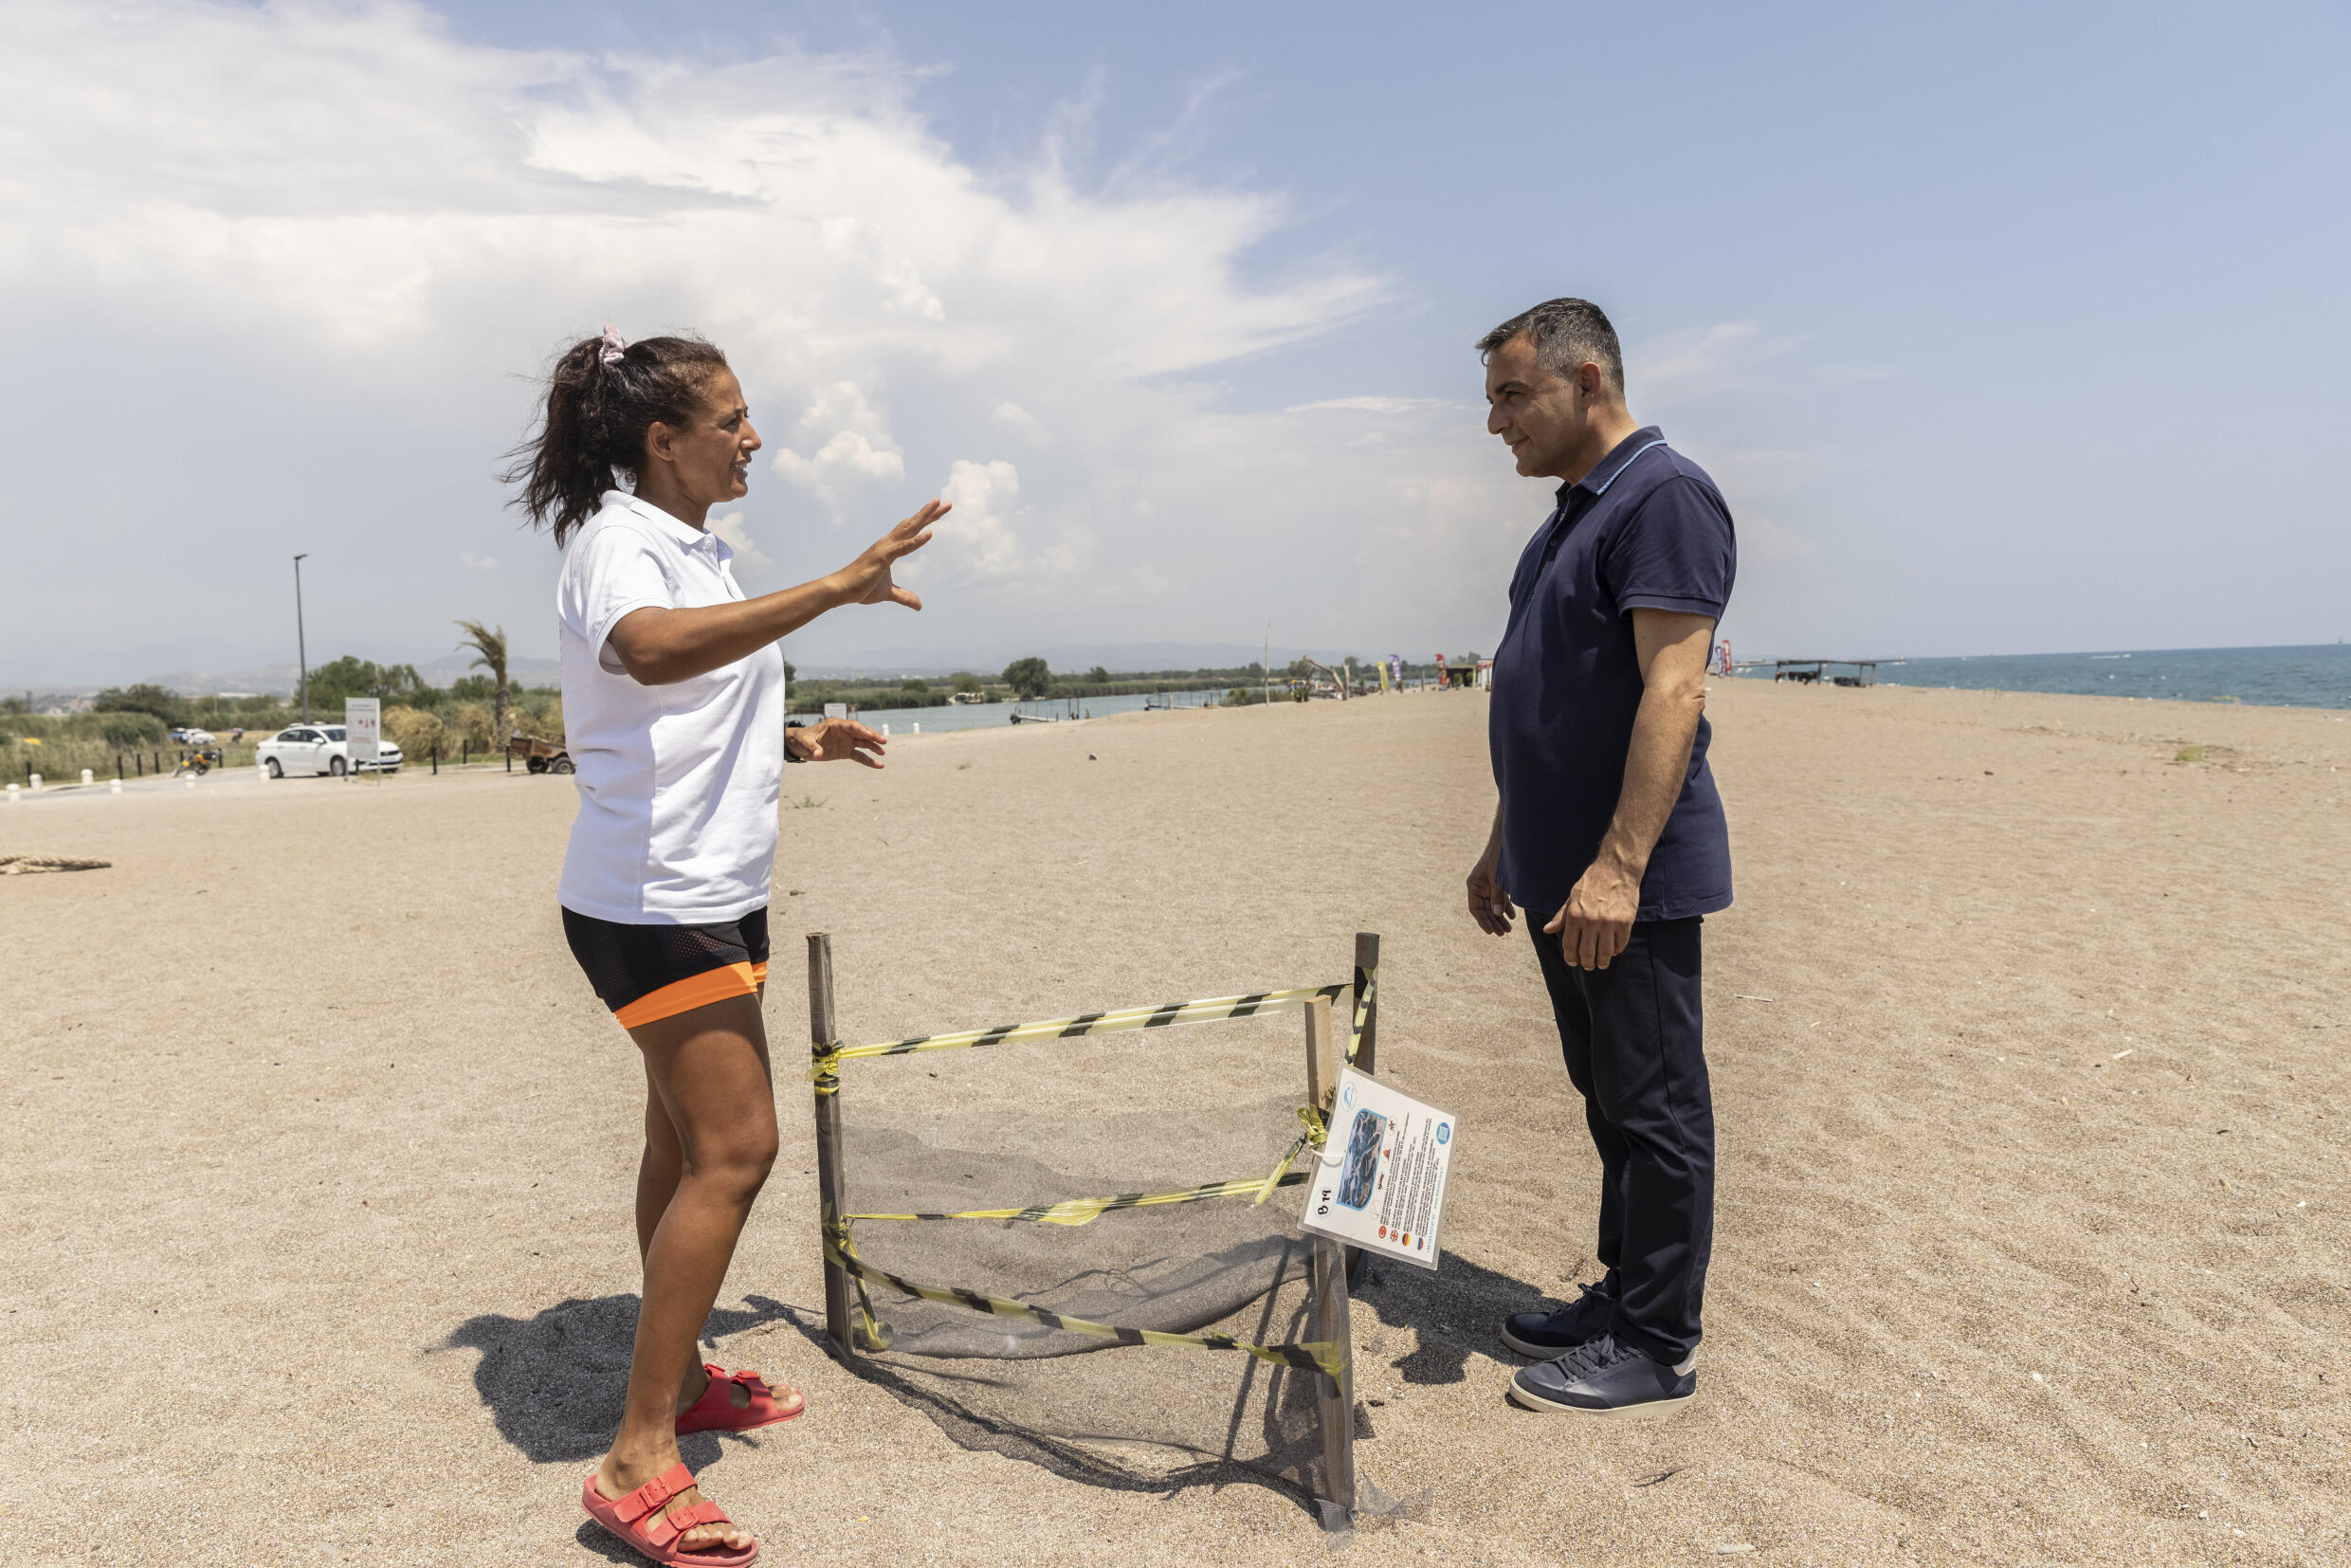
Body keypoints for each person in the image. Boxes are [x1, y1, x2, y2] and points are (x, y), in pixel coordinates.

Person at [507, 325, 947, 1564]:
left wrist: (799, 739)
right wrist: (834, 587)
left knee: (682, 1141)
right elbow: (647, 654)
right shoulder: (619, 542)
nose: (754, 437)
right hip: (653, 903)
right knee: (739, 1149)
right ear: (664, 439)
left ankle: (686, 1376)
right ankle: (638, 1459)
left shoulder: (694, 548)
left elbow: (687, 704)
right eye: (732, 418)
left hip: (710, 891)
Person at [1465, 298, 1736, 1418]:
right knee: (1610, 1098)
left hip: (1626, 880)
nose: (1495, 423)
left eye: (1511, 395)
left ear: (1585, 381)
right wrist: (1502, 842)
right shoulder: (1567, 519)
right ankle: (1622, 1296)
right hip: (1555, 877)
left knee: (1656, 1105)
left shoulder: (1660, 495)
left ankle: (1658, 1343)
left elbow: (1674, 688)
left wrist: (1618, 866)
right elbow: (1547, 696)